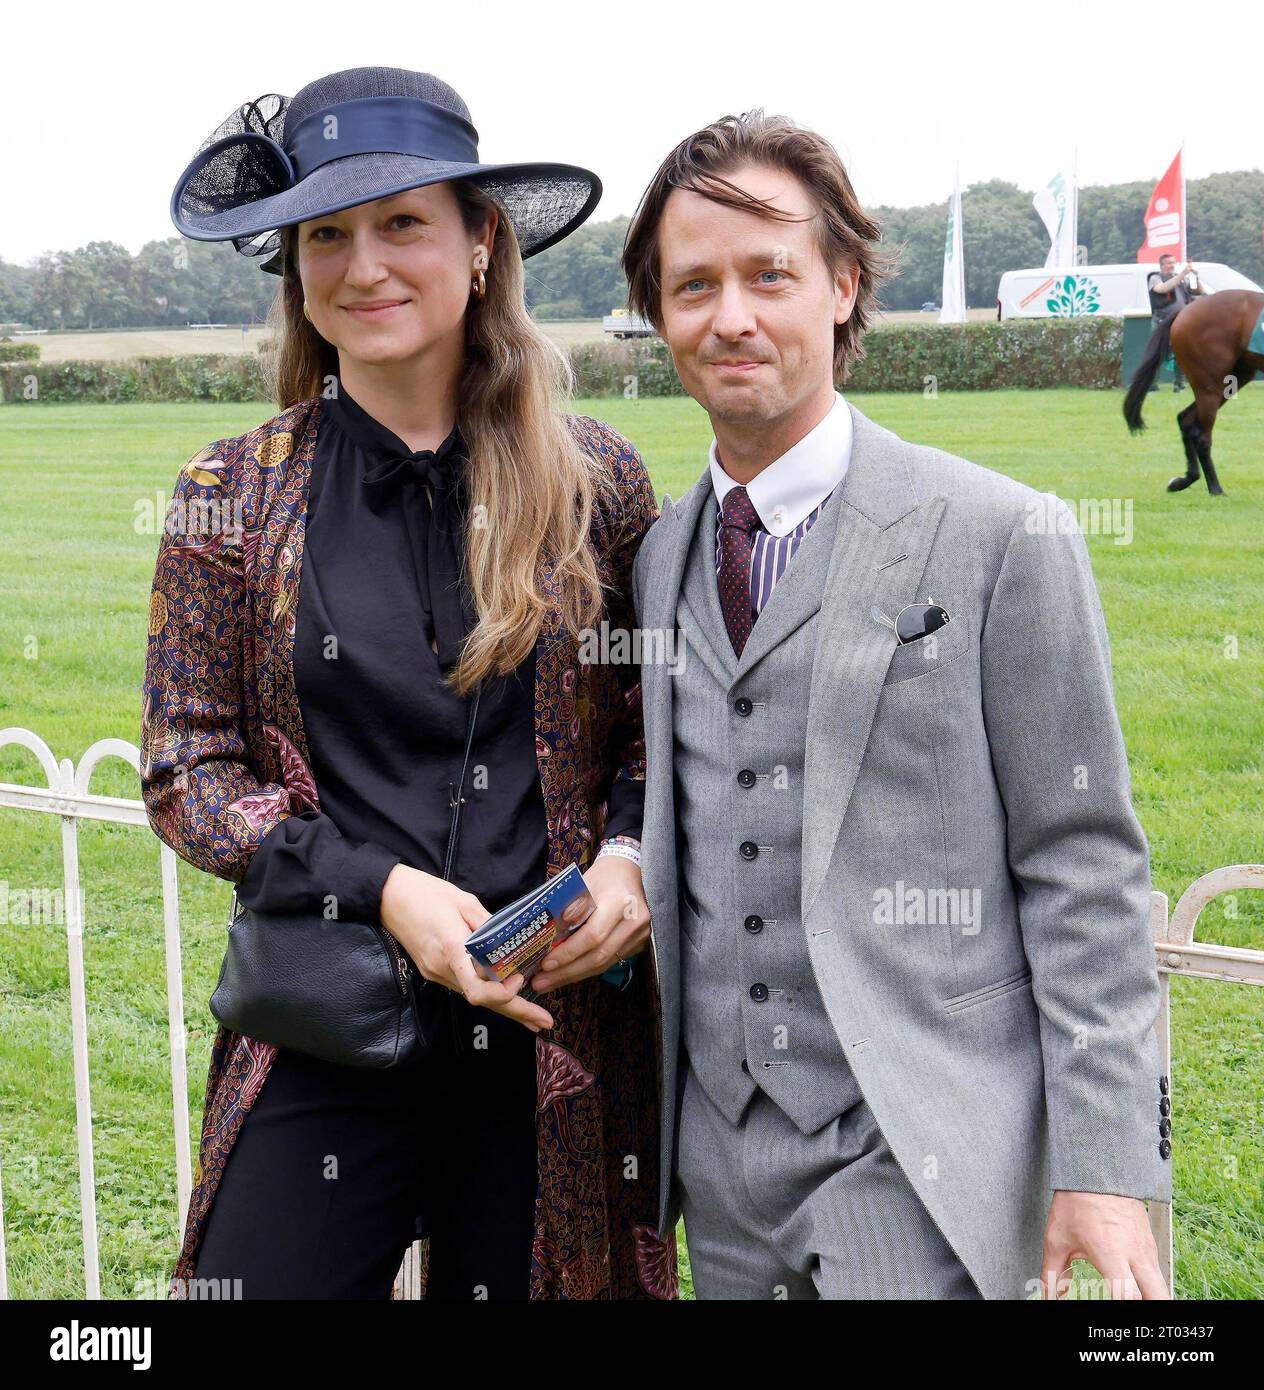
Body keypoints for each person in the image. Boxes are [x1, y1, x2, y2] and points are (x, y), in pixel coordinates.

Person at [610, 109, 1172, 1300]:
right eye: (693, 284)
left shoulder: (1003, 535)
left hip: (918, 1148)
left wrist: (1105, 1161)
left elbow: (1082, 864)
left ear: (843, 284)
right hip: (718, 1163)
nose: (731, 316)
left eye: (770, 275)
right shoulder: (657, 557)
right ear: (658, 312)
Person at [141, 65, 676, 1300]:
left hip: (552, 1030)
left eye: (401, 223)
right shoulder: (232, 495)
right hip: (328, 1018)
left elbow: (656, 728)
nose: (363, 265)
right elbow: (186, 771)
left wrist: (626, 860)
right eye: (326, 234)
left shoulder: (599, 483)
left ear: (481, 244)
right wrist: (383, 891)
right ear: (294, 268)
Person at [1147, 252, 1205, 390]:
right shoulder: (1155, 278)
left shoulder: (1181, 279)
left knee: (1181, 353)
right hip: (1161, 321)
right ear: (1162, 265)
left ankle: (1179, 385)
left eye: (1173, 262)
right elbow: (1162, 289)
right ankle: (1152, 385)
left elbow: (1198, 292)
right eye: (1168, 263)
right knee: (1157, 353)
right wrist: (1182, 275)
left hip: (1180, 321)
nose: (1172, 265)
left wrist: (1194, 277)